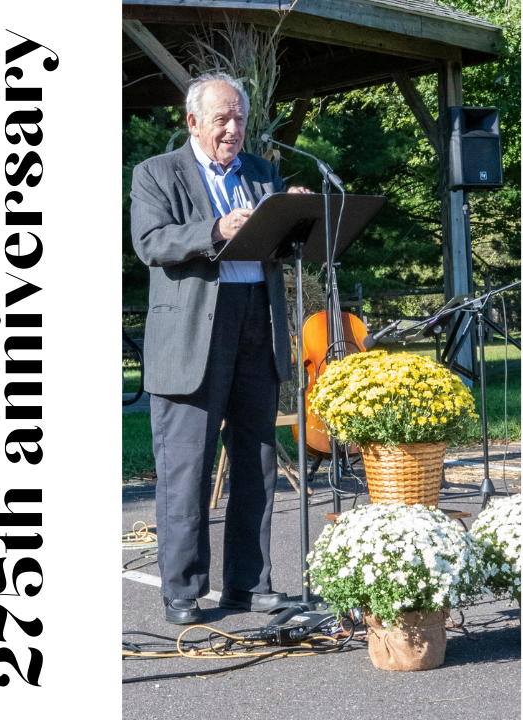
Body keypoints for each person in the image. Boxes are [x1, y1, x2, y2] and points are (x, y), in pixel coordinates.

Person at [130, 73, 311, 624]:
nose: (232, 129)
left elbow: (282, 247)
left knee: (257, 461)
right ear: (192, 122)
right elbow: (150, 242)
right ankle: (182, 590)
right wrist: (214, 229)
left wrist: (298, 215)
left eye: (238, 118)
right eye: (221, 120)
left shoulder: (263, 174)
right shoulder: (156, 173)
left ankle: (248, 585)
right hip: (191, 334)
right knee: (187, 465)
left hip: (258, 321)